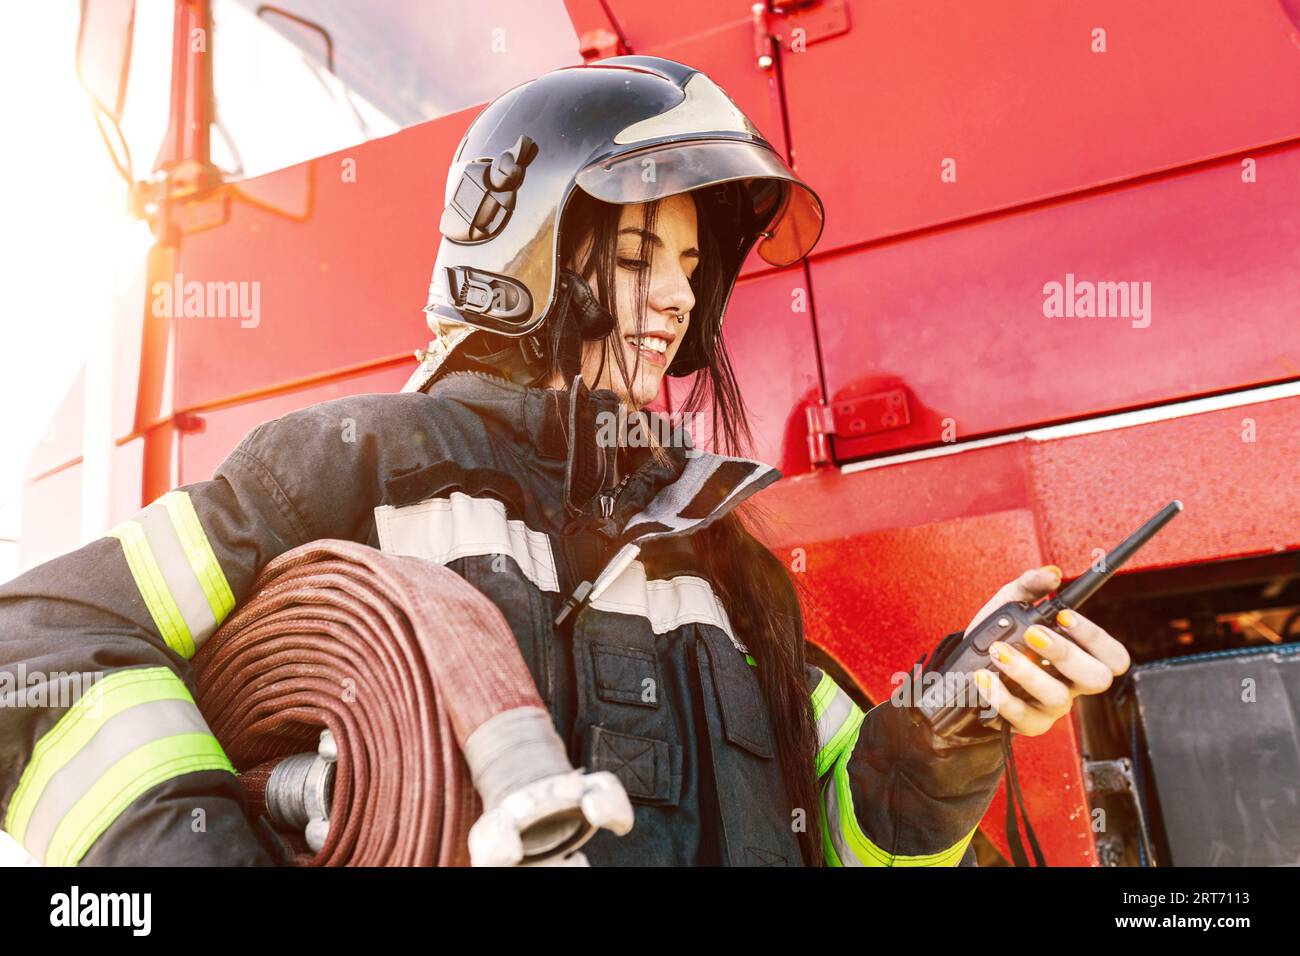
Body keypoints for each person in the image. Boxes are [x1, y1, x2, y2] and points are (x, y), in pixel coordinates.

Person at [0, 56, 1128, 867]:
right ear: (521, 249)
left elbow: (841, 823)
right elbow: (31, 649)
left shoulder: (724, 559)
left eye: (695, 264)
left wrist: (948, 720)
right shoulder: (352, 471)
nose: (683, 297)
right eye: (641, 251)